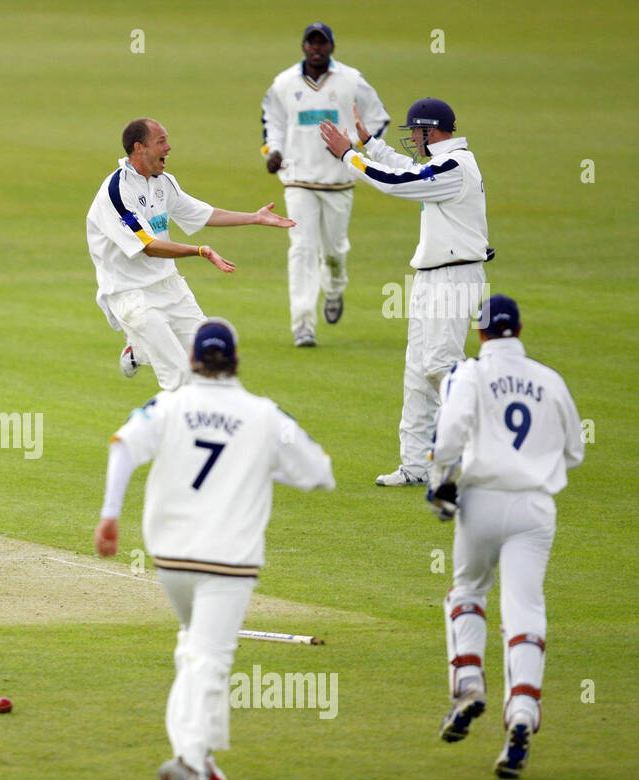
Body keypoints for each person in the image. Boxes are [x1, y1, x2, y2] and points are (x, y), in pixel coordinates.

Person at [94, 320, 334, 780]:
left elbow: (121, 444)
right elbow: (319, 471)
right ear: (238, 361)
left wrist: (110, 515)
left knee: (195, 648)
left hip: (171, 559)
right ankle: (190, 762)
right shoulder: (263, 414)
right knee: (210, 658)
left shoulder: (170, 404)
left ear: (194, 361)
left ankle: (207, 763)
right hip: (229, 561)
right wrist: (263, 464)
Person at [428, 296, 583, 779]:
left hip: (481, 500)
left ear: (479, 334)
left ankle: (469, 682)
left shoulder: (468, 373)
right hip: (536, 507)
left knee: (468, 591)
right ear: (518, 329)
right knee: (525, 609)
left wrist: (440, 482)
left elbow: (450, 431)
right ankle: (522, 713)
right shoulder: (549, 378)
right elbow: (573, 450)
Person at [320, 98, 490, 486]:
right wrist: (371, 145)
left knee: (440, 366)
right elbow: (412, 170)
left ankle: (484, 437)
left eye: (417, 131)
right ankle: (415, 466)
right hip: (431, 275)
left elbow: (398, 183)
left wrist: (348, 156)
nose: (413, 138)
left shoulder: (457, 165)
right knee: (417, 373)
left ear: (434, 130)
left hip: (455, 276)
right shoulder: (443, 164)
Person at [86, 118, 294, 390]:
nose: (169, 147)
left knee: (212, 363)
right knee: (181, 377)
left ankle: (139, 350)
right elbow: (148, 246)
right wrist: (198, 251)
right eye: (161, 142)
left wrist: (254, 217)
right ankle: (147, 361)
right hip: (130, 294)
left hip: (169, 286)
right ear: (139, 148)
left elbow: (204, 213)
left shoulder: (163, 182)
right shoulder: (116, 192)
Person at [261, 22, 390, 346]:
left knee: (333, 252)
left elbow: (377, 119)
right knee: (302, 249)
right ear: (303, 46)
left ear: (331, 47)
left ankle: (334, 289)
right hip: (298, 180)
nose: (316, 48)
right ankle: (303, 324)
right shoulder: (284, 83)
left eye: (322, 43)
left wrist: (353, 150)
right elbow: (272, 122)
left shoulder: (352, 80)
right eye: (311, 43)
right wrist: (272, 151)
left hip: (338, 181)